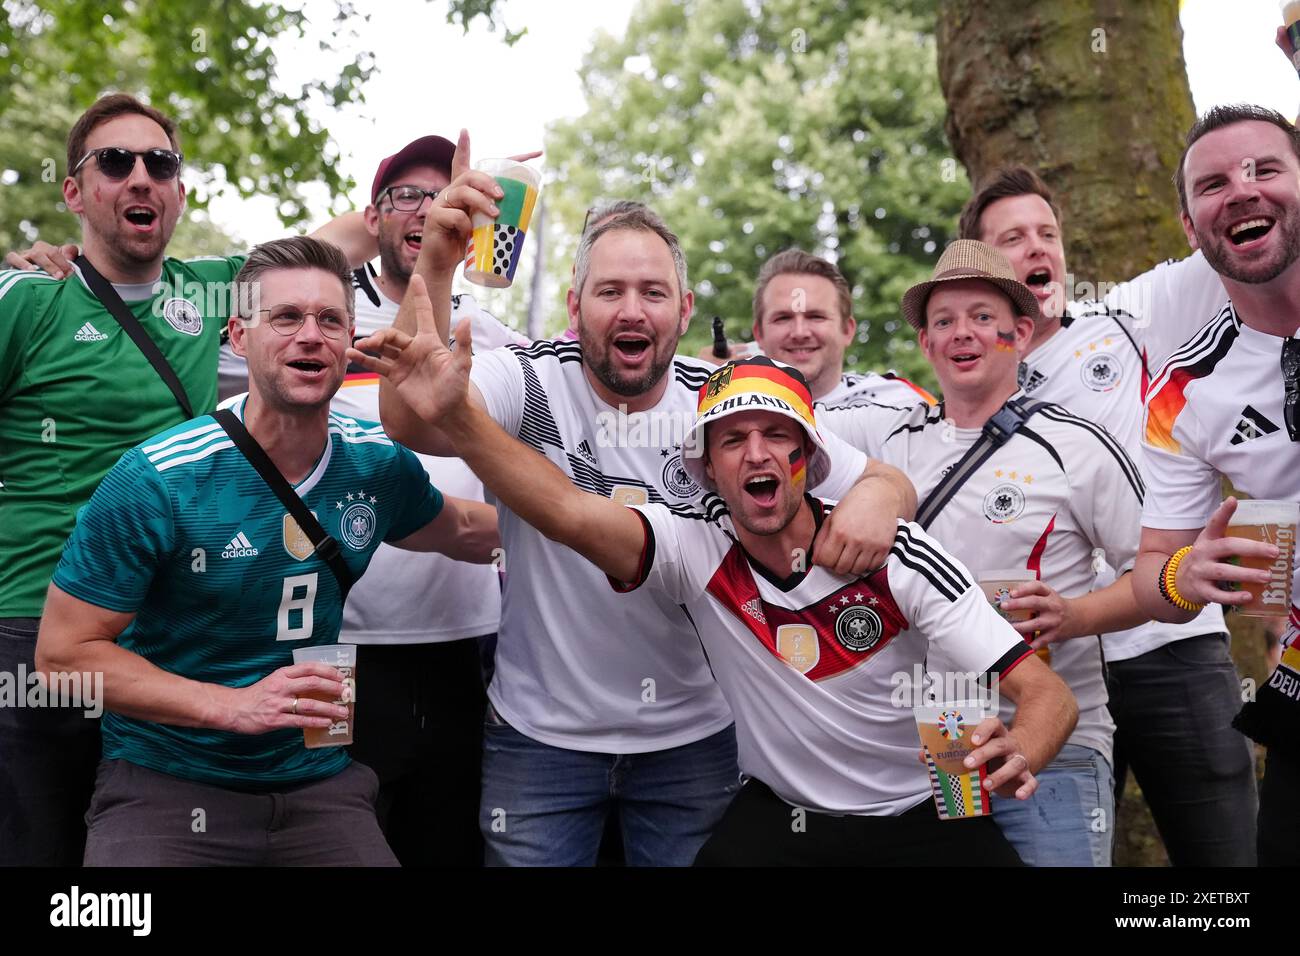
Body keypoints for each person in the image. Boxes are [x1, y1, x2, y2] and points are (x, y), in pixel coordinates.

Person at [347, 292, 1078, 866]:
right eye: (733, 440)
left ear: (812, 456)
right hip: (780, 818)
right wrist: (463, 421)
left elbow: (1045, 695)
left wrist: (1022, 749)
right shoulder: (694, 547)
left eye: (777, 435)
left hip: (928, 811)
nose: (756, 453)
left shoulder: (897, 551)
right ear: (706, 469)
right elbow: (570, 513)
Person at [375, 139, 918, 865]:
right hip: (541, 738)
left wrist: (875, 501)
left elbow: (884, 479)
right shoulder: (530, 381)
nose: (632, 309)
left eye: (653, 292)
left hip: (696, 737)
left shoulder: (728, 401)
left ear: (685, 308)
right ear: (574, 306)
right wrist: (438, 263)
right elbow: (412, 415)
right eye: (609, 291)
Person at [34, 236, 499, 866]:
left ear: (350, 340)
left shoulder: (375, 464)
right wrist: (232, 706)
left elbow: (474, 532)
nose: (311, 335)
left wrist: (621, 518)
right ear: (238, 336)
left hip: (316, 779)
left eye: (330, 319)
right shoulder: (157, 477)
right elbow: (62, 661)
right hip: (167, 782)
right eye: (286, 317)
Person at [219, 135, 527, 867]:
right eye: (405, 196)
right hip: (337, 645)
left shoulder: (496, 340)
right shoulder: (315, 321)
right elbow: (247, 286)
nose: (425, 208)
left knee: (447, 841)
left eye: (441, 193)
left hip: (464, 640)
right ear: (371, 217)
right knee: (337, 837)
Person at [959, 166, 1257, 865]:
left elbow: (1239, 242)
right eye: (1012, 239)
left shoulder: (1128, 318)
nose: (1038, 249)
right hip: (1054, 688)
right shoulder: (965, 390)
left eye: (1047, 234)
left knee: (1224, 868)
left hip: (1170, 649)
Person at [818, 240, 1151, 866]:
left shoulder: (1074, 446)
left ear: (1019, 333)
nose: (960, 333)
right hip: (933, 746)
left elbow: (1157, 576)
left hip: (1055, 748)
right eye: (942, 321)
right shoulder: (888, 447)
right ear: (926, 345)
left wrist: (1075, 615)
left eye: (980, 317)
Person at [0, 93, 248, 866]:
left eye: (160, 163)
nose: (141, 176)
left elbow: (332, 254)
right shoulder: (31, 297)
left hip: (165, 642)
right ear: (75, 191)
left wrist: (429, 214)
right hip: (31, 635)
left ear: (178, 191)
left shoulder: (211, 293)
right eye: (115, 161)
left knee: (138, 866)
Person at [1135, 103, 1300, 867]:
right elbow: (1153, 585)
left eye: (1266, 169)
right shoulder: (1181, 391)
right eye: (1213, 185)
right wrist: (1186, 574)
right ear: (1190, 227)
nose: (1241, 190)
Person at [750, 248, 936, 407]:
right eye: (783, 318)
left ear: (847, 330)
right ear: (759, 333)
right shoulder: (725, 414)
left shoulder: (905, 408)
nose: (800, 332)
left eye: (816, 317)